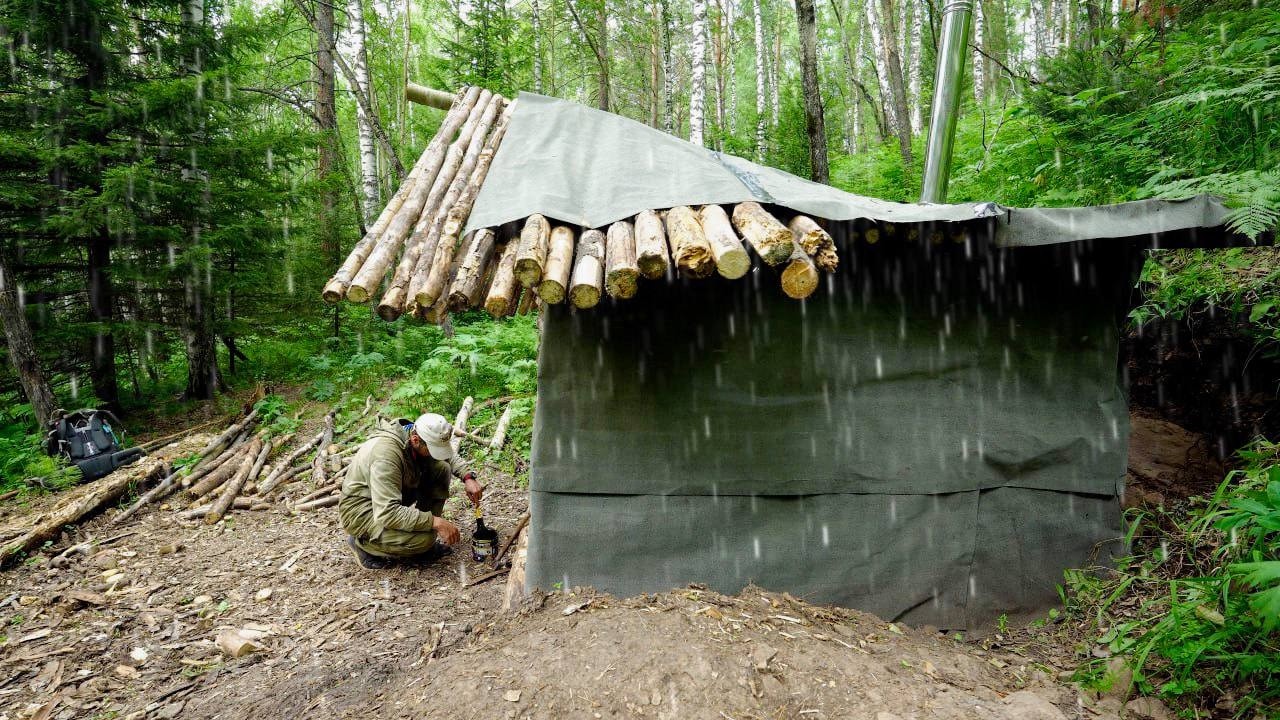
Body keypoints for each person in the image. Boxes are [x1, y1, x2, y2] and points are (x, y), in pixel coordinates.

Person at [338, 412, 484, 569]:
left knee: (441, 469)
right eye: (433, 450)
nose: (436, 454)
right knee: (423, 540)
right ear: (416, 440)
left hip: (389, 496)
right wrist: (434, 522)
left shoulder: (417, 432)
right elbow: (388, 512)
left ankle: (422, 542)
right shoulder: (386, 456)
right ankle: (364, 546)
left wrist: (468, 477)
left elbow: (447, 456)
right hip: (362, 511)